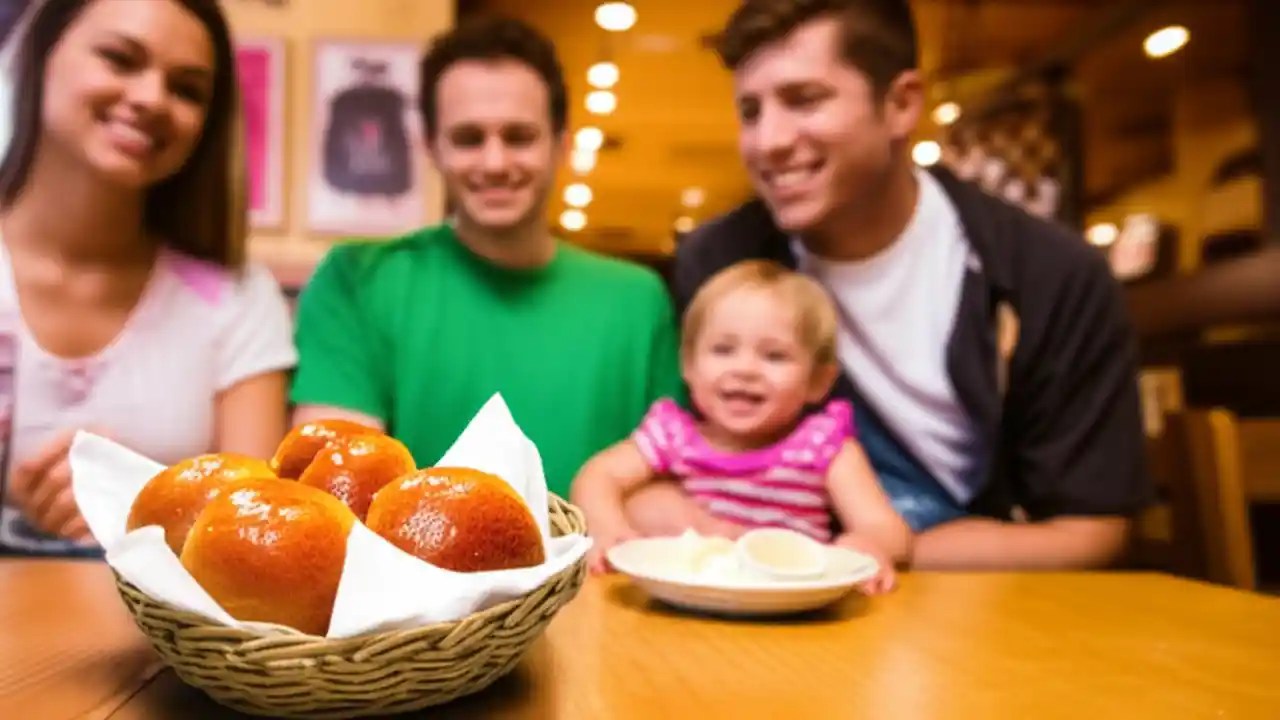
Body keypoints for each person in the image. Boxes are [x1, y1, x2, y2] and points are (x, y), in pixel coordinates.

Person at [642, 0, 1150, 570]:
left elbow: (1090, 529)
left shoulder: (1048, 273)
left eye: (804, 100)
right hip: (765, 595)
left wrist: (866, 557)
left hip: (975, 599)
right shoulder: (720, 260)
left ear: (902, 104)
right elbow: (676, 464)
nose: (768, 141)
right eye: (750, 111)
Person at [289, 17, 683, 499]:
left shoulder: (637, 301)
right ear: (432, 147)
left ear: (561, 143)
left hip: (596, 573)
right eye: (468, 138)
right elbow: (335, 489)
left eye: (519, 137)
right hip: (410, 572)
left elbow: (671, 481)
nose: (494, 163)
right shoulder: (358, 280)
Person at [0, 0, 297, 556]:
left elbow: (251, 524)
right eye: (119, 59)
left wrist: (136, 506)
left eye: (187, 90)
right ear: (40, 57)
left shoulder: (235, 298)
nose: (151, 98)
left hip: (161, 639)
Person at [573, 260, 910, 591]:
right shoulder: (673, 433)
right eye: (723, 349)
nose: (745, 369)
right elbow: (599, 474)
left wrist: (866, 544)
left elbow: (887, 528)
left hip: (793, 607)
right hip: (692, 599)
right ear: (688, 365)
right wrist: (608, 527)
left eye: (774, 355)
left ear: (818, 381)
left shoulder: (823, 444)